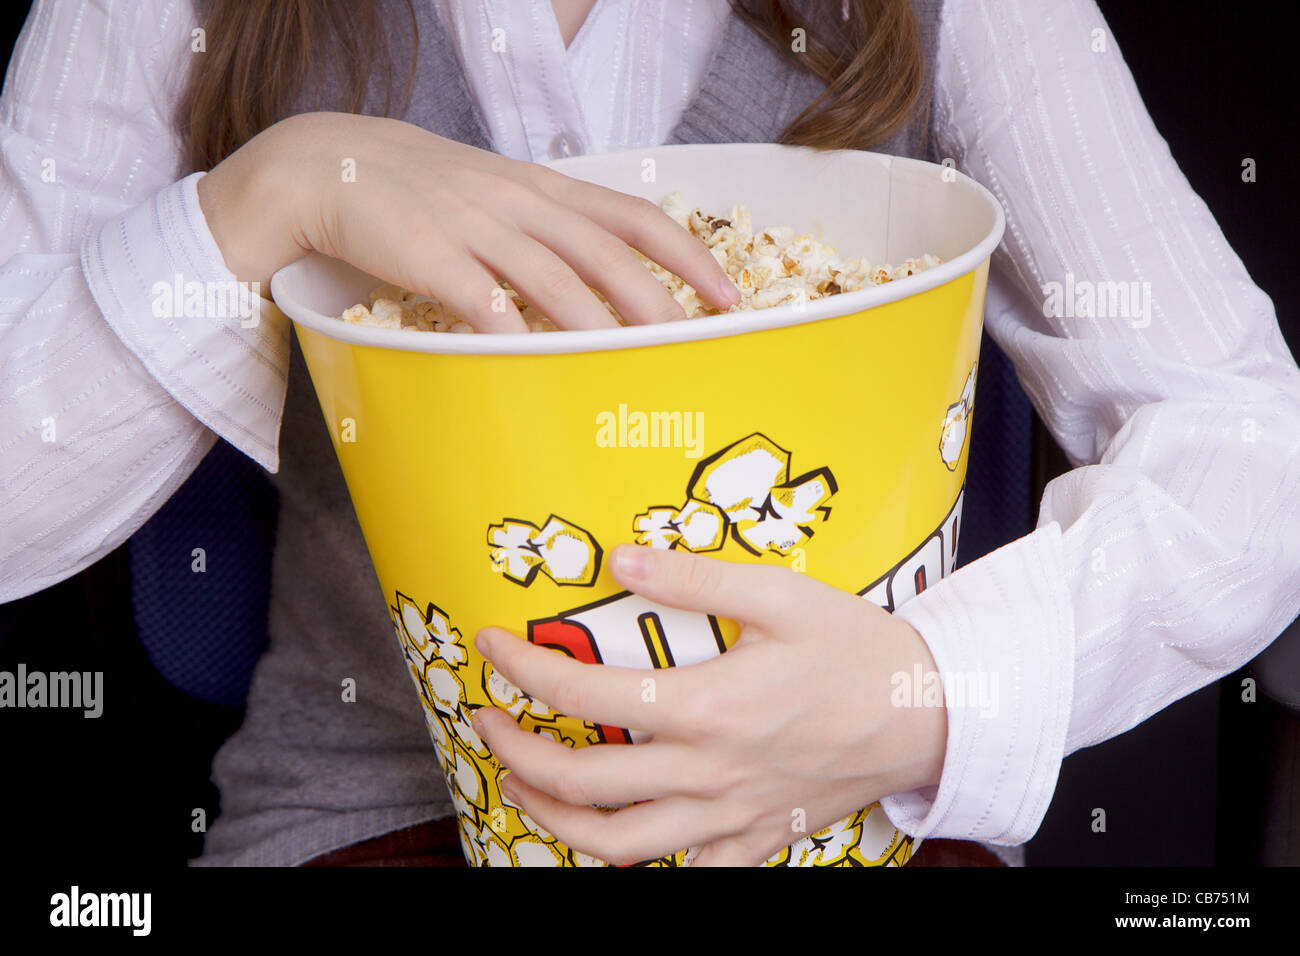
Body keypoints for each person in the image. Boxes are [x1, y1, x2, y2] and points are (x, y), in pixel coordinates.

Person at [2, 0, 1297, 868]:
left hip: (844, 822)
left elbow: (1252, 444)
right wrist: (263, 199)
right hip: (371, 815)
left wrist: (928, 696)